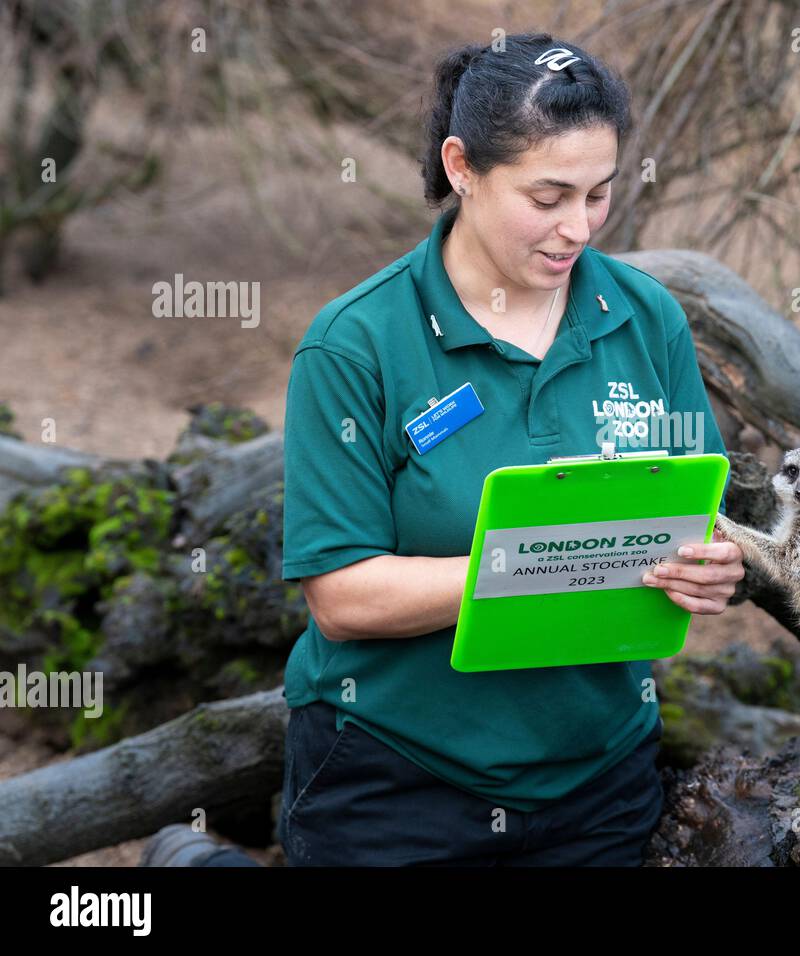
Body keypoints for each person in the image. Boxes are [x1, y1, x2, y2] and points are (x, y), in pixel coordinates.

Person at [141, 32, 744, 868]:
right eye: (548, 196)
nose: (578, 228)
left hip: (600, 777)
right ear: (462, 167)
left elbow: (697, 511)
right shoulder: (356, 343)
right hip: (397, 782)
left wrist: (711, 565)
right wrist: (539, 563)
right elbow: (340, 598)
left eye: (600, 194)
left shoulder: (647, 321)